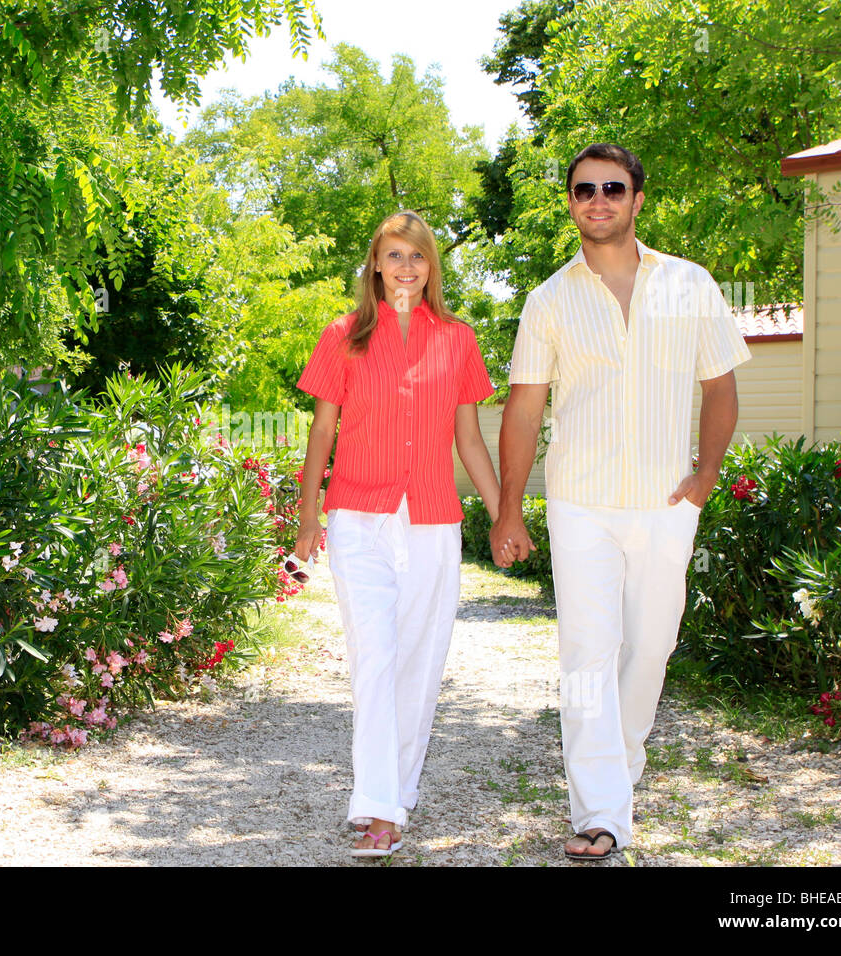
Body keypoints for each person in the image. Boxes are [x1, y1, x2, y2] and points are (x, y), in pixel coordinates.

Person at [491, 143, 751, 861]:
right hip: (581, 504)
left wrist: (705, 475)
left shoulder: (691, 285)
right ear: (571, 203)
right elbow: (521, 411)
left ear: (638, 199)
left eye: (612, 188)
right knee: (586, 656)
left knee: (651, 650)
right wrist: (510, 509)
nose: (597, 200)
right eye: (583, 191)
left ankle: (620, 777)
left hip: (668, 502)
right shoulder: (548, 299)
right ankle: (600, 811)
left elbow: (721, 388)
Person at [294, 209, 500, 858]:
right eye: (393, 255)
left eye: (417, 255)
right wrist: (306, 516)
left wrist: (505, 514)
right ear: (375, 266)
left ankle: (399, 794)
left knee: (420, 662)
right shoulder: (343, 336)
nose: (405, 266)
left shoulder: (458, 340)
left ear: (430, 265)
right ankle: (377, 808)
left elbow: (469, 437)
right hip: (357, 517)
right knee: (375, 659)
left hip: (434, 520)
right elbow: (321, 432)